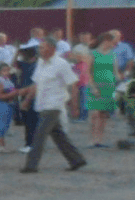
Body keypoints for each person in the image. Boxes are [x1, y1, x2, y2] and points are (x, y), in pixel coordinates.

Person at [21, 39, 88, 174]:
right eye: (39, 48)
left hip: (54, 105)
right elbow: (36, 83)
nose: (40, 50)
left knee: (39, 135)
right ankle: (76, 159)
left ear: (52, 48)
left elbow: (73, 84)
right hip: (42, 104)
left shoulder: (61, 64)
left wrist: (74, 106)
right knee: (58, 135)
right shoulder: (40, 62)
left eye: (42, 48)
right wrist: (27, 99)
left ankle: (31, 165)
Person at [85, 32, 120, 147]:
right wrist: (92, 86)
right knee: (95, 114)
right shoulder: (93, 54)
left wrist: (119, 83)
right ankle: (92, 139)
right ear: (105, 41)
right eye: (111, 41)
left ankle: (100, 139)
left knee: (103, 114)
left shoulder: (112, 55)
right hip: (96, 85)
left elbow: (115, 71)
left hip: (109, 86)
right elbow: (88, 72)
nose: (112, 44)